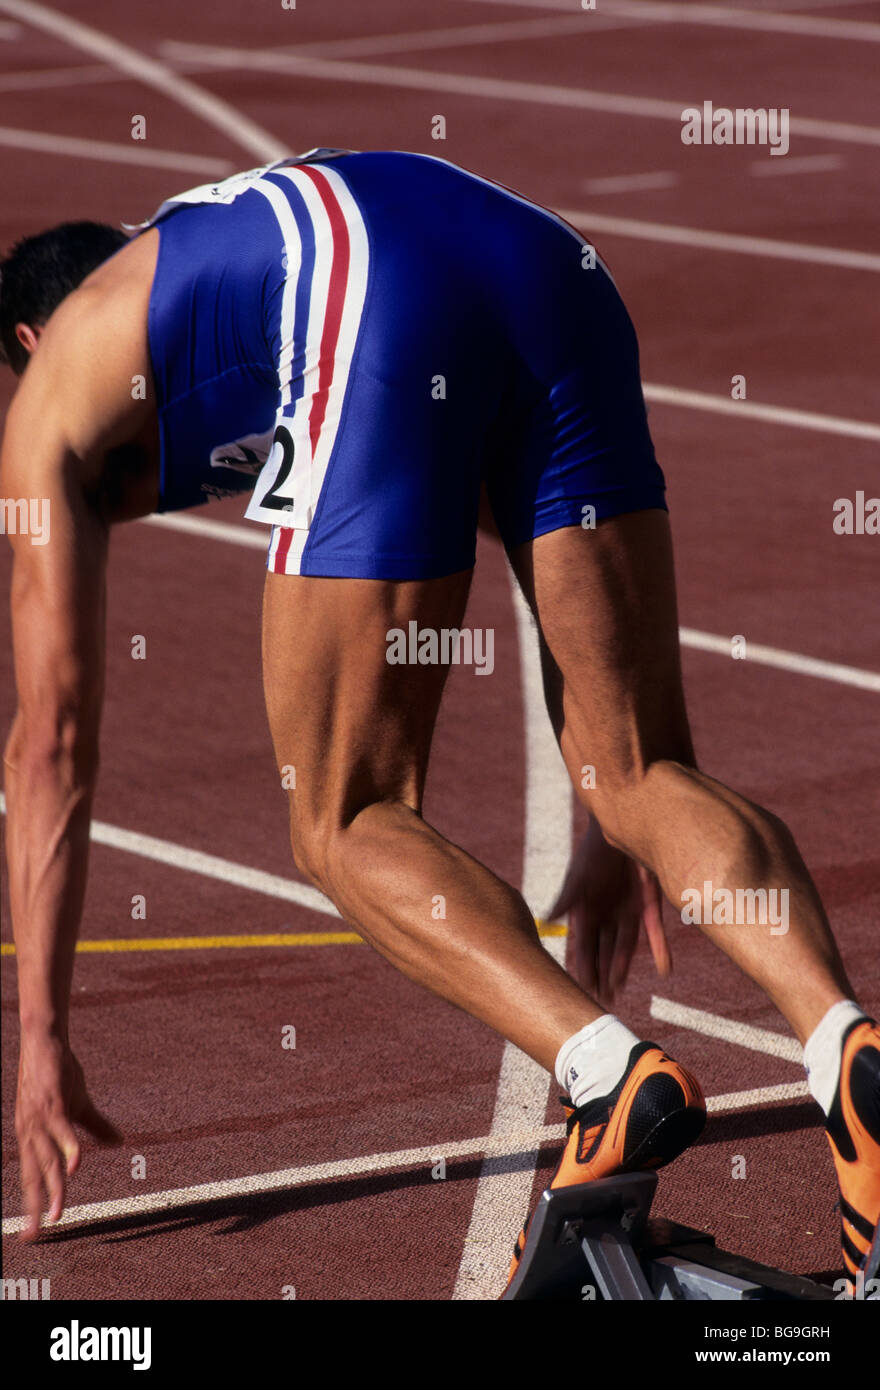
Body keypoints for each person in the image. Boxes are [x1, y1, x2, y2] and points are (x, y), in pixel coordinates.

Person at [1, 149, 877, 1295]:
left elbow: (50, 740)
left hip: (377, 293)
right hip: (551, 267)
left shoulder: (61, 371)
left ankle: (607, 1076)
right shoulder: (203, 282)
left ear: (25, 342)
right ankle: (843, 1047)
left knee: (338, 813)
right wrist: (609, 808)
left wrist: (39, 1040)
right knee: (639, 764)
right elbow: (492, 491)